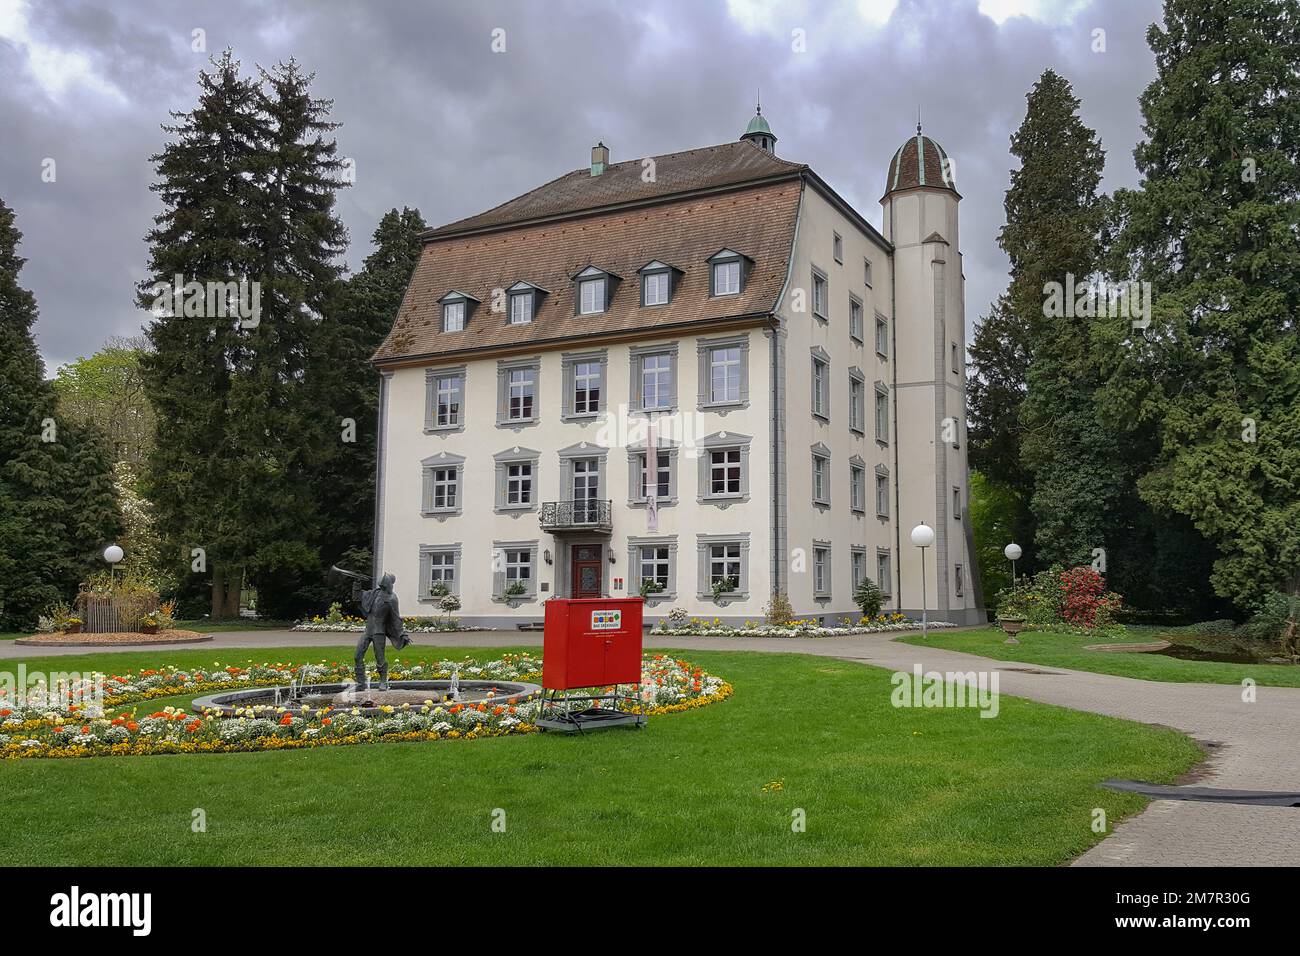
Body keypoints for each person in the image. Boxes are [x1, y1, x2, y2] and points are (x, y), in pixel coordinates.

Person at [355, 572, 411, 690]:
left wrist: (402, 634)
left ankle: (383, 682)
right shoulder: (374, 593)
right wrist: (357, 583)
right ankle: (361, 683)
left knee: (380, 658)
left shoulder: (392, 598)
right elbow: (358, 596)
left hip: (379, 632)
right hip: (368, 631)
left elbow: (396, 617)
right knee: (357, 656)